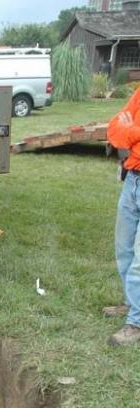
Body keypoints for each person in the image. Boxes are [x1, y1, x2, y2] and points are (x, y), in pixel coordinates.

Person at [106, 90, 140, 345]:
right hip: (133, 179)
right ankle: (131, 303)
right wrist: (130, 134)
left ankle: (136, 324)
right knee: (124, 249)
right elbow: (115, 130)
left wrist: (131, 132)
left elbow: (126, 133)